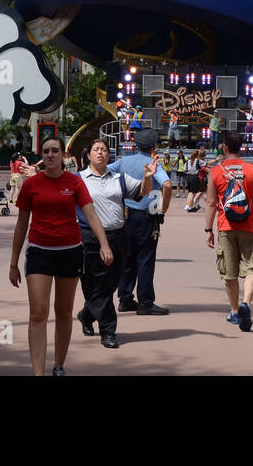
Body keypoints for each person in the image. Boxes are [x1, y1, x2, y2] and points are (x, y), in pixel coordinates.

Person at [10, 135, 113, 375]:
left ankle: (58, 365)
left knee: (64, 311)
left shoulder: (75, 183)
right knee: (38, 312)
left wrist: (104, 243)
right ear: (41, 156)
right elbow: (21, 225)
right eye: (46, 151)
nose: (50, 155)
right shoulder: (31, 185)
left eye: (55, 150)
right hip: (39, 252)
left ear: (62, 155)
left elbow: (91, 215)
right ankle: (38, 372)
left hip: (70, 252)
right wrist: (13, 263)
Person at [76, 138, 154, 349]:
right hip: (89, 238)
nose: (100, 152)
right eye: (96, 149)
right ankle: (108, 331)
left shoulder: (119, 178)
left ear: (109, 156)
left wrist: (147, 177)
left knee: (111, 282)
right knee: (94, 282)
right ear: (89, 155)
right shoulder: (78, 179)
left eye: (104, 149)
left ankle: (86, 314)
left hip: (118, 236)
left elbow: (142, 192)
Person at [204, 131, 253, 332]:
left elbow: (210, 203)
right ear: (241, 147)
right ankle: (246, 303)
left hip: (226, 227)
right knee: (252, 268)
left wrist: (208, 229)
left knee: (229, 272)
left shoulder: (216, 171)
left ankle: (235, 311)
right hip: (249, 226)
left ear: (224, 148)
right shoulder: (252, 170)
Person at [109, 128, 173, 315]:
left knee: (127, 258)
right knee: (145, 258)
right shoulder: (153, 163)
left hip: (125, 214)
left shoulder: (124, 161)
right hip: (146, 215)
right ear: (154, 146)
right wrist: (164, 207)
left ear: (136, 145)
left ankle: (125, 298)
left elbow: (106, 172)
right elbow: (167, 185)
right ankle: (145, 301)